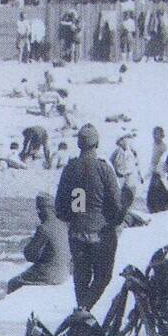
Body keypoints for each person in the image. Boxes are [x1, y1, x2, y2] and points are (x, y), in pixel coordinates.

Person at [54, 124, 123, 311]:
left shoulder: (70, 168)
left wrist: (76, 217)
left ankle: (82, 312)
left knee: (81, 277)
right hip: (100, 233)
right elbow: (116, 204)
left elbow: (60, 207)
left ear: (79, 145)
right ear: (97, 143)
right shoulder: (104, 169)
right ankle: (84, 310)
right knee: (103, 276)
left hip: (76, 231)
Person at [7, 192, 70, 293]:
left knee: (12, 283)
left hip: (48, 275)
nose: (38, 213)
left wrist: (27, 244)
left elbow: (30, 256)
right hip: (63, 273)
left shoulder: (43, 228)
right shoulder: (62, 225)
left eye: (39, 209)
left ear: (42, 210)